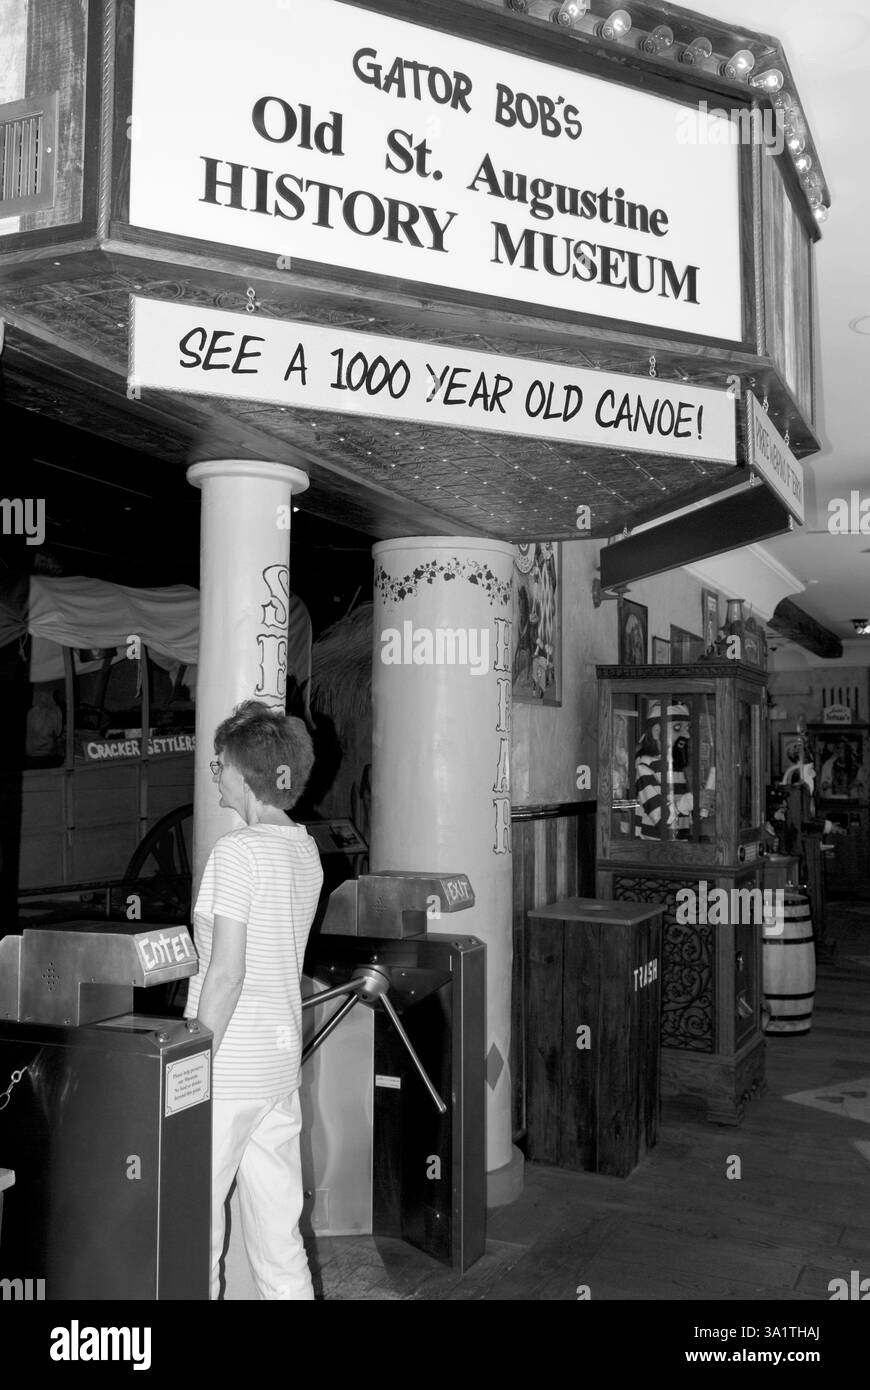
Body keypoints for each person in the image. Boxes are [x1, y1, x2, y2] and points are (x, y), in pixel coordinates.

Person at [185, 699, 324, 1300]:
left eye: (217, 764)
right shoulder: (304, 849)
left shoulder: (236, 854)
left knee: (195, 1225)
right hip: (277, 1066)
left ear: (242, 775)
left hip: (227, 1064)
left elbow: (227, 975)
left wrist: (191, 1054)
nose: (213, 774)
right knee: (278, 1232)